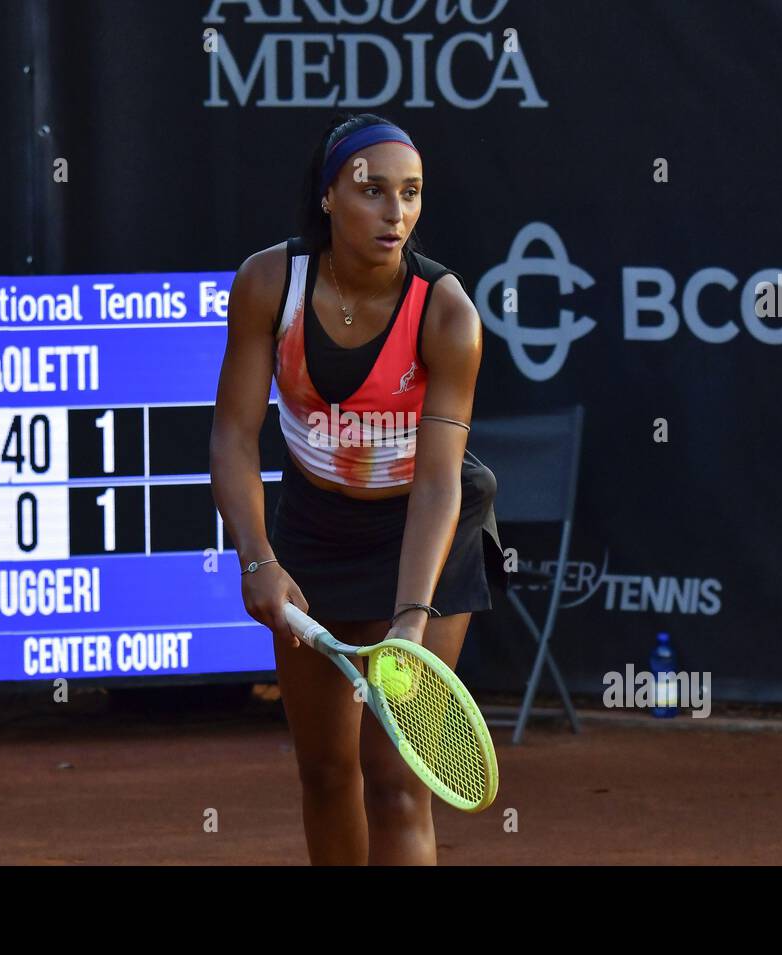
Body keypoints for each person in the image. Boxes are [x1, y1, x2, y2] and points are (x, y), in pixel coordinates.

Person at [210, 112, 505, 865]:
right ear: (328, 197)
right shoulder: (267, 284)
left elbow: (439, 482)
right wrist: (257, 559)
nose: (395, 211)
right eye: (372, 191)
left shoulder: (448, 314)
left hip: (427, 531)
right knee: (326, 770)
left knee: (397, 779)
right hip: (314, 528)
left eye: (410, 193)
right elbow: (235, 436)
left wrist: (411, 618)